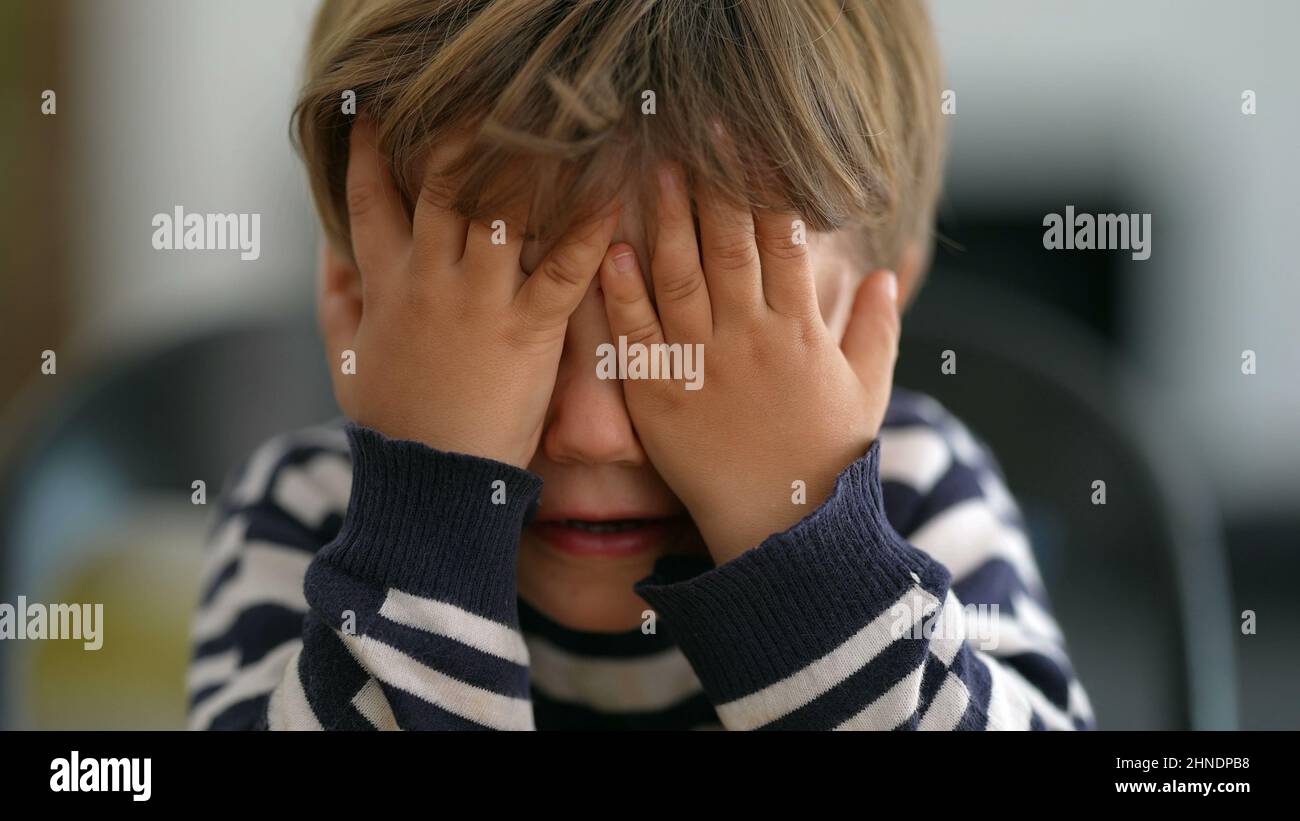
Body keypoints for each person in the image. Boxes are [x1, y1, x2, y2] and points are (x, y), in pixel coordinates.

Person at [188, 0, 1093, 730]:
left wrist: (804, 552)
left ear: (875, 308)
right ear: (354, 299)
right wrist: (431, 520)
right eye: (510, 331)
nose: (589, 432)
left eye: (687, 329)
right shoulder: (309, 515)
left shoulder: (918, 494)